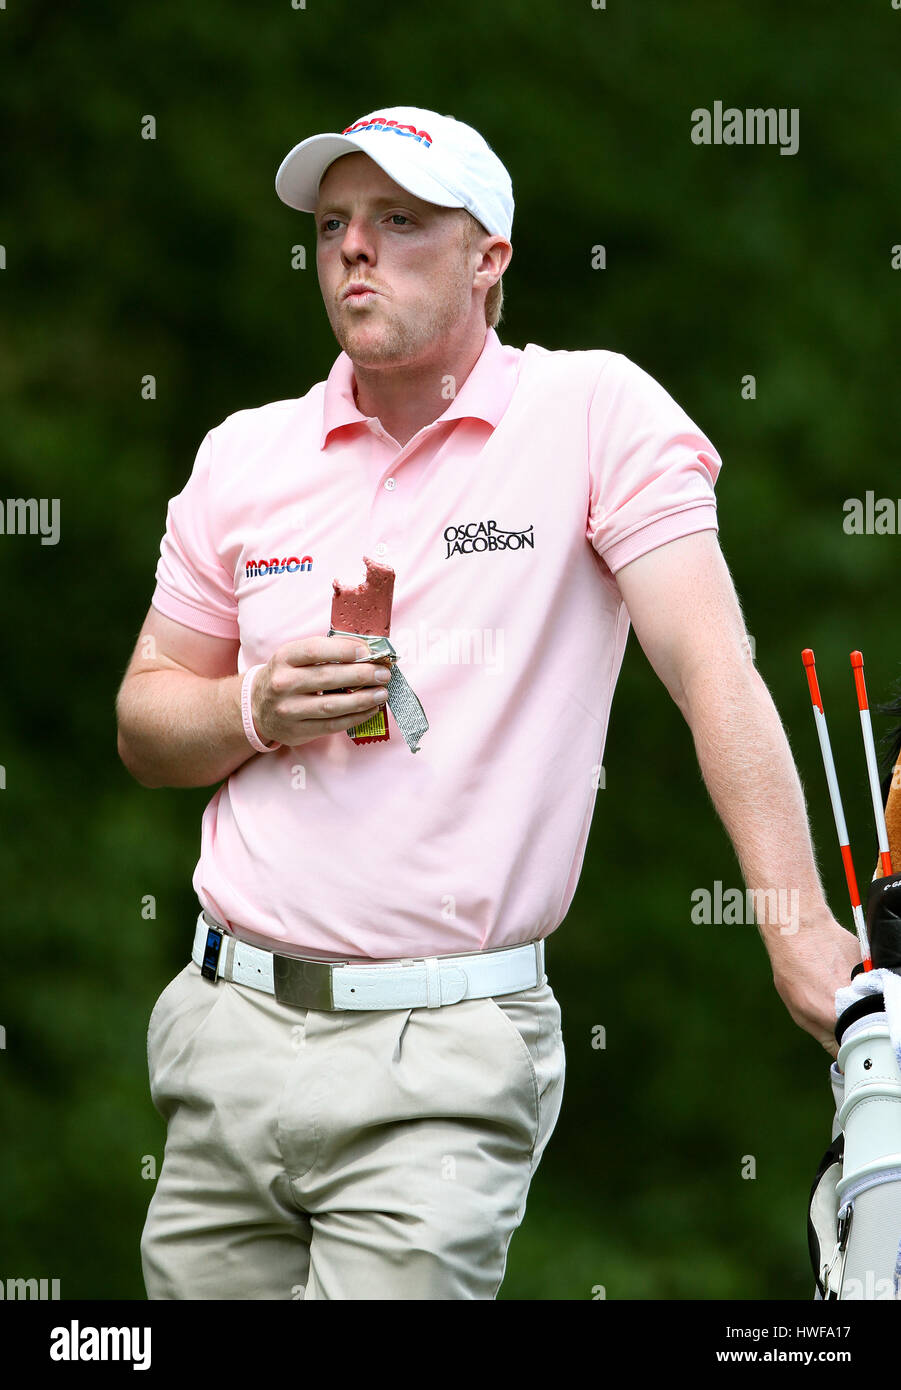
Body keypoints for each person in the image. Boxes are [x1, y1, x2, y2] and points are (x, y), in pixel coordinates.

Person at [116, 105, 860, 1300]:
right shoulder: (243, 453)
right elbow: (147, 723)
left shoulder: (593, 413)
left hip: (446, 1050)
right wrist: (255, 703)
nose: (353, 248)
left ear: (489, 257)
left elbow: (714, 668)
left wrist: (793, 922)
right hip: (222, 1034)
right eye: (332, 225)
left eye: (400, 221)